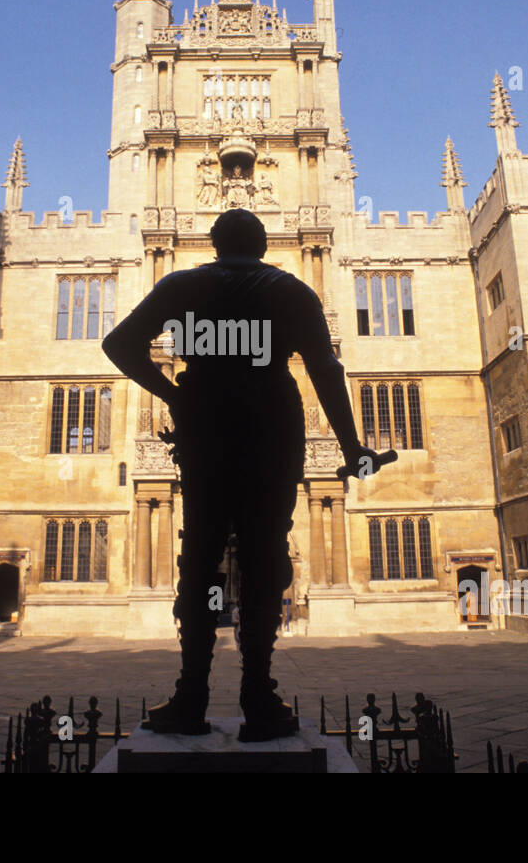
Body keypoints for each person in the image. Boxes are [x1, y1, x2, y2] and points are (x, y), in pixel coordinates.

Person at [103, 208, 384, 741]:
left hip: (207, 424)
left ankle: (191, 696)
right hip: (272, 423)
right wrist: (353, 446)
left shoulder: (183, 285)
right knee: (264, 556)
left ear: (213, 242)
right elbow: (325, 370)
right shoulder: (292, 290)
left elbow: (118, 345)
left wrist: (177, 397)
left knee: (201, 558)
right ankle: (259, 695)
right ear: (261, 245)